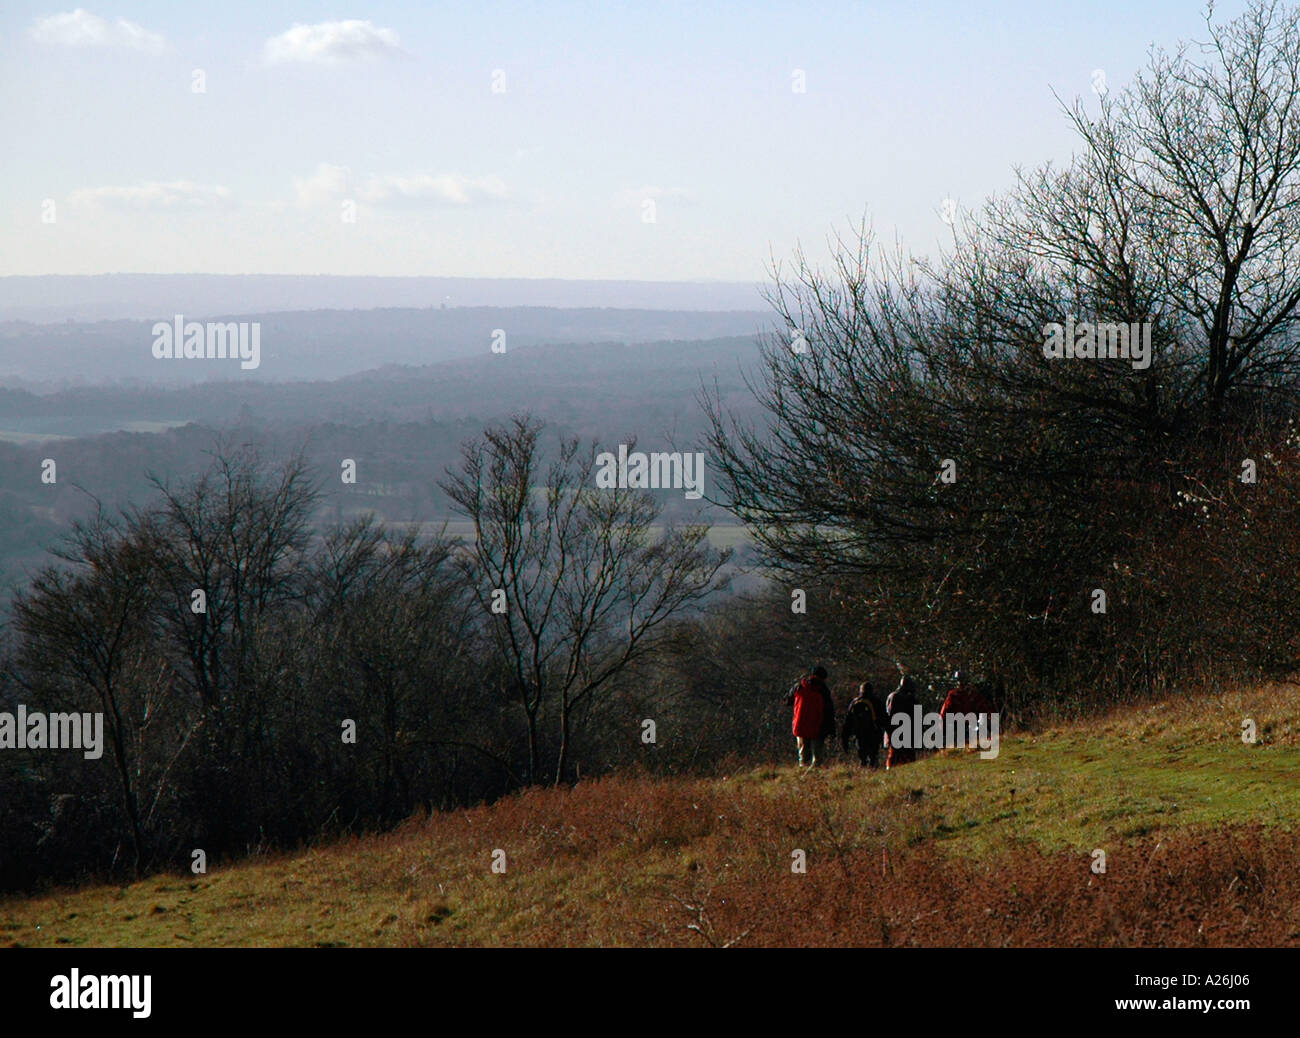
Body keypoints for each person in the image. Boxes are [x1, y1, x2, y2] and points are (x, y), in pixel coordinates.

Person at [784, 665, 834, 767]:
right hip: (818, 726)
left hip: (800, 725)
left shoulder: (799, 686)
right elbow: (829, 711)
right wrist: (831, 728)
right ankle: (814, 777)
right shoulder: (823, 690)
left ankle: (803, 778)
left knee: (803, 757)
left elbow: (786, 701)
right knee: (817, 758)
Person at [938, 670, 994, 746]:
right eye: (958, 682)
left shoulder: (973, 694)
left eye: (962, 682)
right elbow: (944, 713)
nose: (960, 684)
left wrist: (990, 718)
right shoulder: (952, 696)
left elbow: (984, 707)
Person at [841, 681, 885, 767]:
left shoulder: (855, 702)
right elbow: (883, 718)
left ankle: (863, 770)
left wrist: (845, 738)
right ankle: (873, 771)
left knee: (862, 756)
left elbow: (848, 721)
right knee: (873, 756)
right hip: (873, 733)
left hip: (859, 734)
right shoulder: (876, 701)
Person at [884, 664, 920, 769]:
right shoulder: (912, 699)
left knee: (893, 758)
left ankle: (890, 774)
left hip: (895, 733)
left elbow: (887, 716)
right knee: (908, 760)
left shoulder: (892, 696)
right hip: (907, 734)